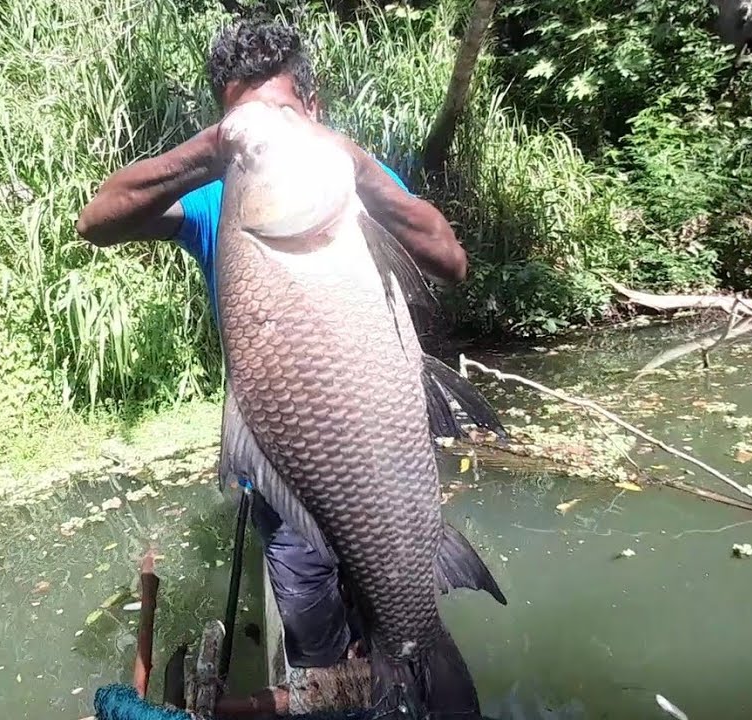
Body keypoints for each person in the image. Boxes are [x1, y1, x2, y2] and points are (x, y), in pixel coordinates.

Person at [74, 17, 468, 674]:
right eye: (240, 117)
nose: (263, 129)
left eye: (282, 110)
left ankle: (411, 652)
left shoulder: (354, 188)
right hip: (288, 470)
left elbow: (450, 260)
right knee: (320, 657)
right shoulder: (214, 198)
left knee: (401, 605)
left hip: (378, 454)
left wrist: (359, 164)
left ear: (314, 109)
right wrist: (216, 148)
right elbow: (96, 220)